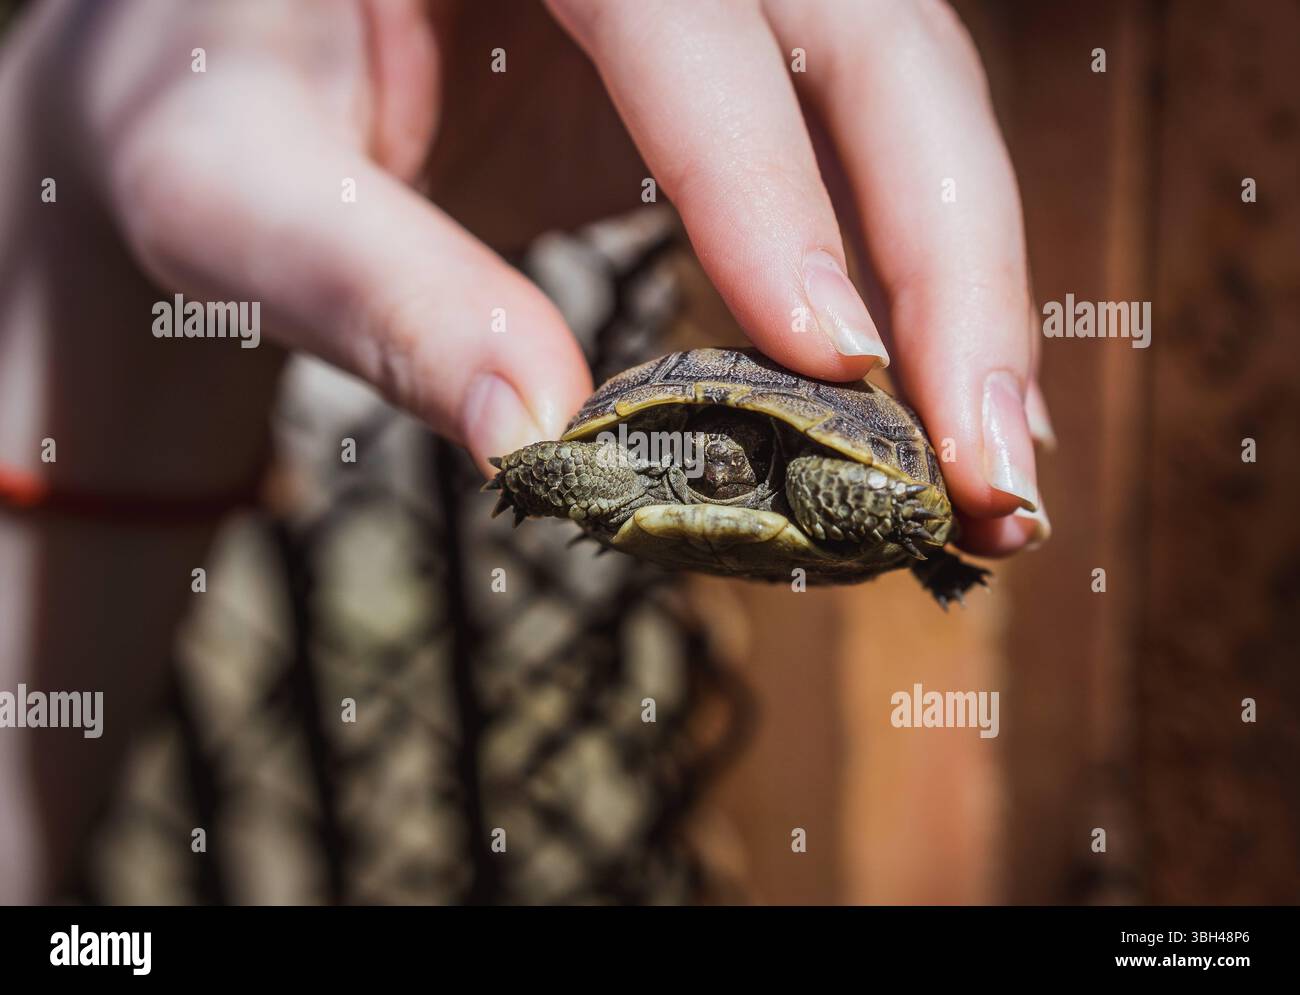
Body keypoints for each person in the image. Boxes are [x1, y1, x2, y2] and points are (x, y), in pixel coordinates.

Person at [0, 0, 1051, 902]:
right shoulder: (653, 459)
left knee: (907, 510)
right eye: (701, 461)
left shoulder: (812, 469)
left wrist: (72, 208)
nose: (705, 472)